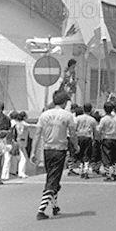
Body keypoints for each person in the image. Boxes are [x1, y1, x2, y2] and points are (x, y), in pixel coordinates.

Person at [30, 90, 78, 219]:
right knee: (52, 180)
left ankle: (55, 206)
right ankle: (41, 210)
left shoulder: (44, 115)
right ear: (64, 102)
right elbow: (73, 134)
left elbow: (37, 134)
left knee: (52, 177)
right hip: (59, 150)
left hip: (47, 150)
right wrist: (76, 146)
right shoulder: (67, 116)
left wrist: (33, 152)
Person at [98, 102, 116, 182]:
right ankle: (115, 174)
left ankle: (108, 175)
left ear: (104, 109)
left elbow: (99, 129)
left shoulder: (104, 119)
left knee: (106, 157)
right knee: (115, 157)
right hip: (115, 139)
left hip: (106, 139)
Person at [75, 103, 98, 179]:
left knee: (80, 154)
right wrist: (94, 139)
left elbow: (74, 128)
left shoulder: (78, 118)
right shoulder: (92, 119)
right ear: (91, 110)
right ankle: (86, 170)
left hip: (79, 137)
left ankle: (81, 170)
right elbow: (95, 131)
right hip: (88, 137)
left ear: (83, 109)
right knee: (87, 154)